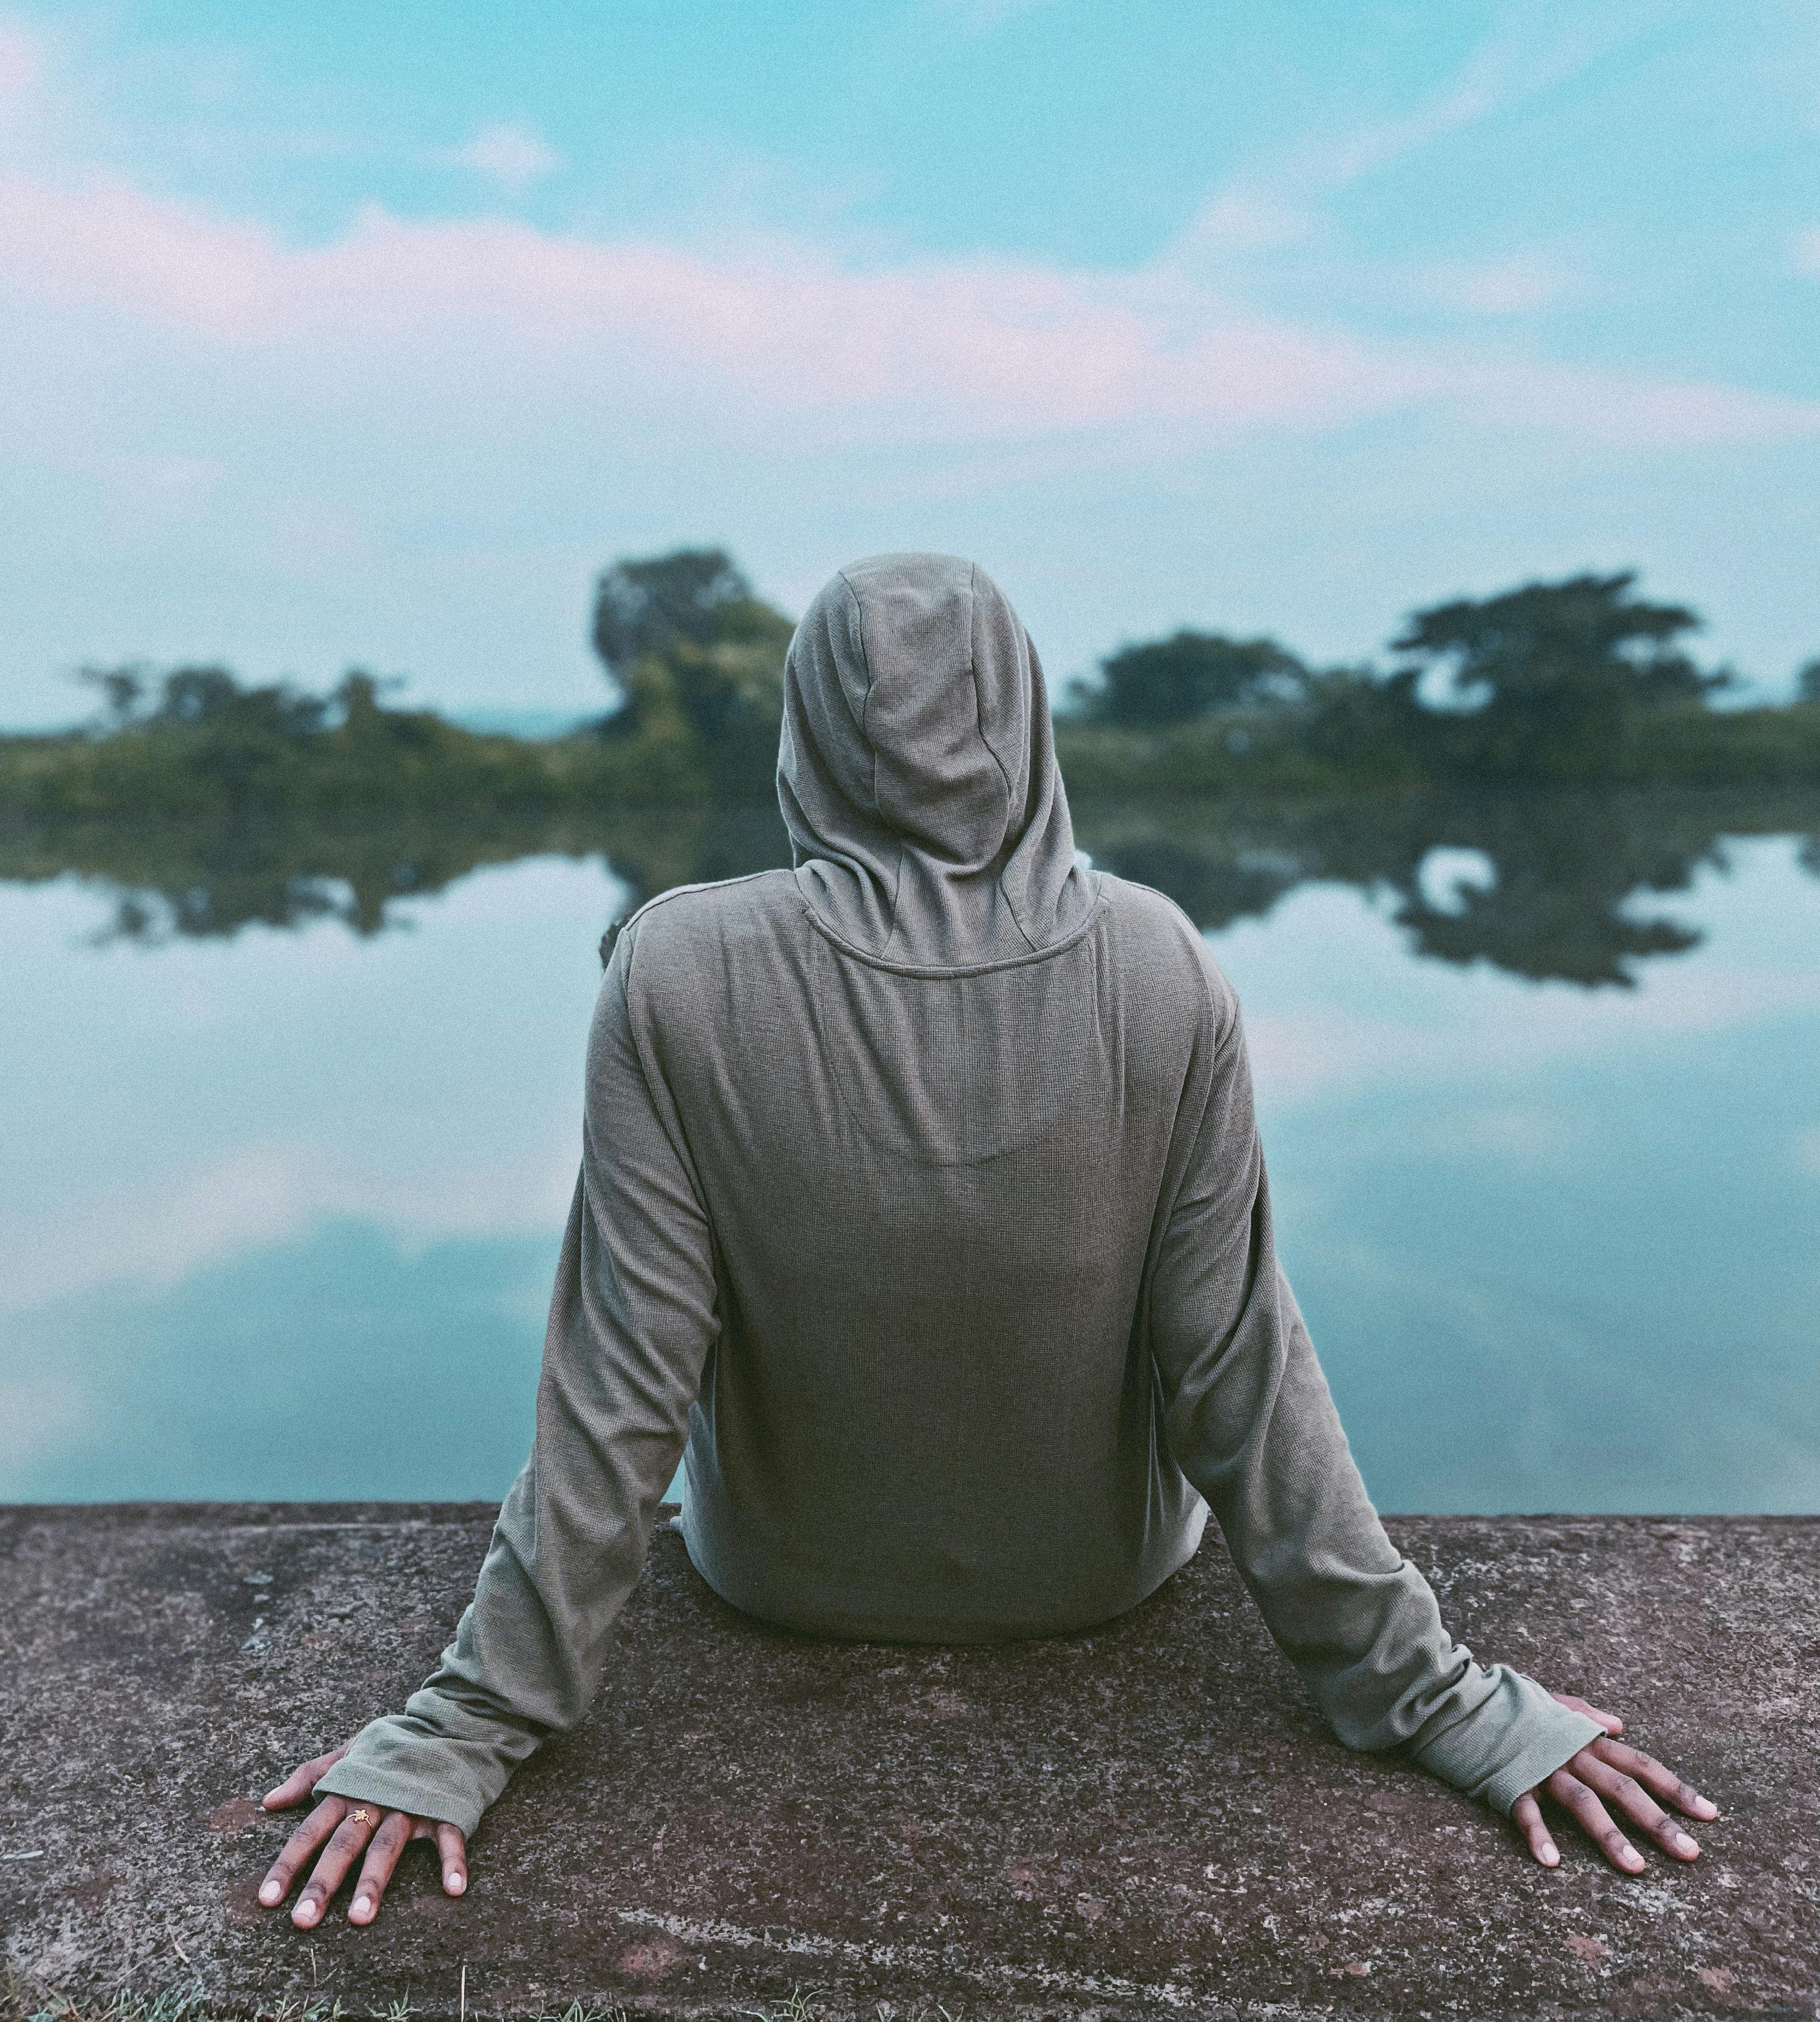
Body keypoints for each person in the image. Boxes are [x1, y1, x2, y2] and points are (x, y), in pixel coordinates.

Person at [257, 553, 1717, 1930]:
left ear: (807, 731)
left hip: (782, 1581)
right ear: (1027, 719)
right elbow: (1240, 1370)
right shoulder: (1160, 960)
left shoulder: (673, 965)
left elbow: (618, 1390)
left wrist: (465, 1721)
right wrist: (1443, 1695)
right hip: (1098, 1578)